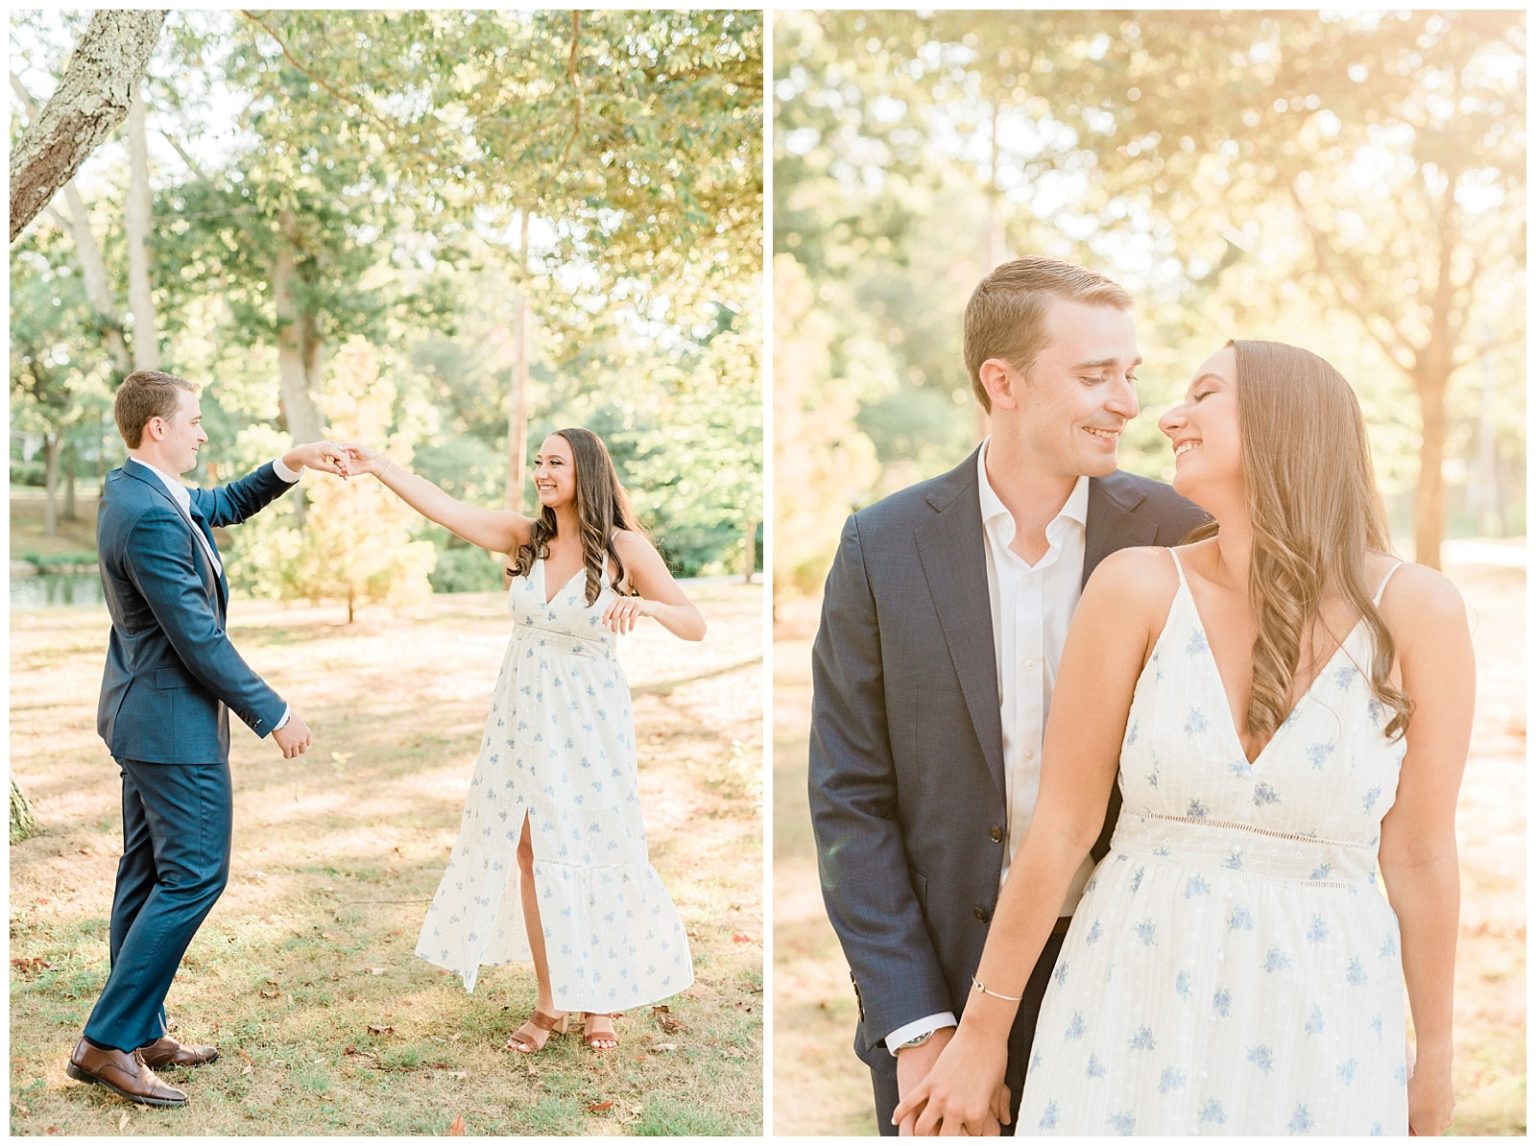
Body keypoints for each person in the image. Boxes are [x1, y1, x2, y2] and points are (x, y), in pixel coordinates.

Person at [894, 341, 1473, 1135]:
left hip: (1325, 1016)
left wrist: (1435, 1055)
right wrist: (983, 1035)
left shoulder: (1419, 611)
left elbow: (1420, 855)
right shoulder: (1137, 588)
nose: (1167, 415)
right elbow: (1061, 830)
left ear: (1283, 427)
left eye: (1203, 396)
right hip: (1127, 999)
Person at [808, 257, 1206, 1134]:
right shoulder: (882, 546)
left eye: (1130, 374)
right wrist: (917, 1029)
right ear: (1003, 382)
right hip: (939, 978)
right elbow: (849, 802)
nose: (1128, 404)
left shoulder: (1181, 535)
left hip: (1135, 969)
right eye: (1096, 375)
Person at [339, 427, 701, 1052]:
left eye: (555, 462)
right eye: (538, 462)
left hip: (590, 722)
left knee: (593, 844)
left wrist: (647, 608)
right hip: (522, 715)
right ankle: (551, 997)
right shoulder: (526, 539)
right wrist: (380, 466)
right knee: (530, 846)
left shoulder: (624, 548)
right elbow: (444, 507)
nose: (542, 472)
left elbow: (693, 623)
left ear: (585, 470)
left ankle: (602, 1000)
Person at [68, 369, 351, 1107]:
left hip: (145, 716)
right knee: (194, 874)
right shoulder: (149, 513)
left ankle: (141, 1027)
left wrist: (293, 462)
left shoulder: (141, 490)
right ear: (156, 427)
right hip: (169, 725)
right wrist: (274, 712)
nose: (202, 431)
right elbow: (197, 636)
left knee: (147, 873)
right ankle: (106, 1042)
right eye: (192, 420)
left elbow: (220, 504)